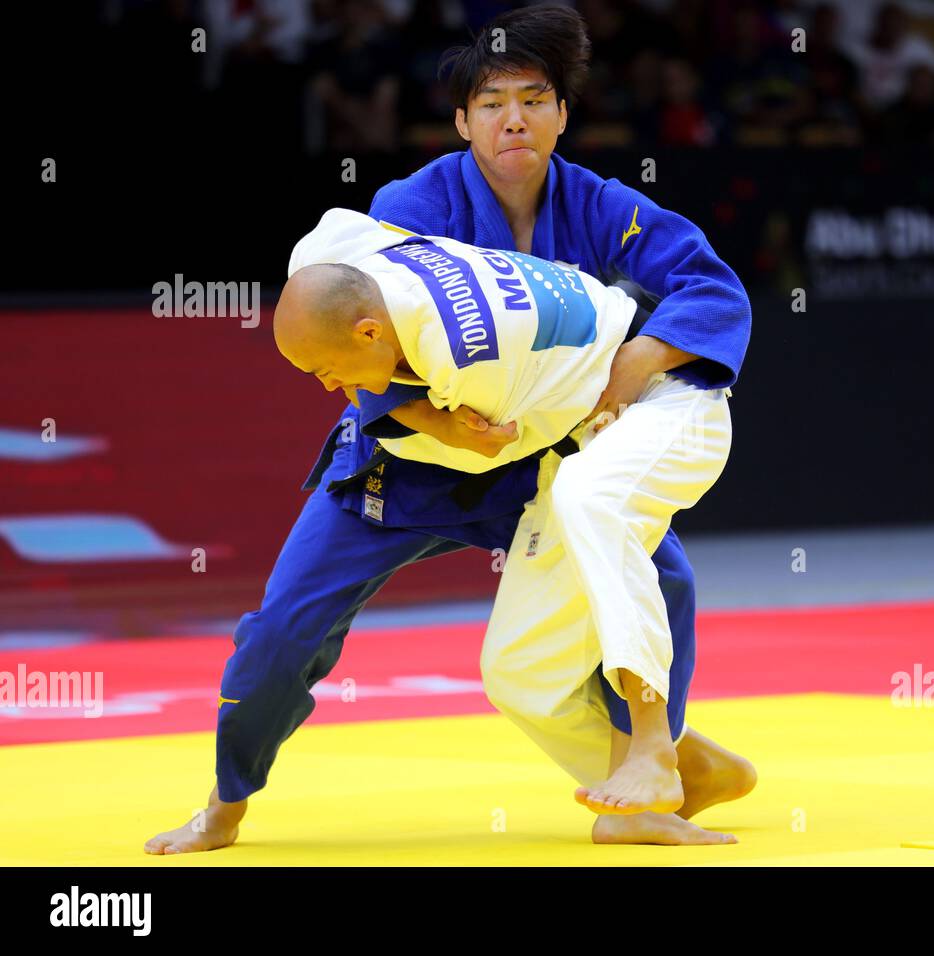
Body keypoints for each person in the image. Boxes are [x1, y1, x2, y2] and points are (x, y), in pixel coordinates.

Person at [144, 4, 754, 854]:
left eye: (535, 100)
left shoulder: (604, 206)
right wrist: (433, 416)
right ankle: (227, 801)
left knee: (662, 569)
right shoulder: (409, 203)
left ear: (563, 115)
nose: (515, 119)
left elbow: (713, 289)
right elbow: (347, 346)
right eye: (494, 102)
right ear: (462, 120)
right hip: (410, 464)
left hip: (535, 458)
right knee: (285, 626)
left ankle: (653, 773)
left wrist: (641, 360)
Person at [277, 210, 732, 814]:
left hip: (671, 402)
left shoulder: (471, 359)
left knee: (588, 499)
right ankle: (699, 771)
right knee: (517, 673)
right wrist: (438, 419)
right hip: (584, 437)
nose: (333, 388)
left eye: (326, 370)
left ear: (367, 333)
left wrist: (449, 430)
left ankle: (651, 748)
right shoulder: (337, 250)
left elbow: (488, 449)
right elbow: (331, 224)